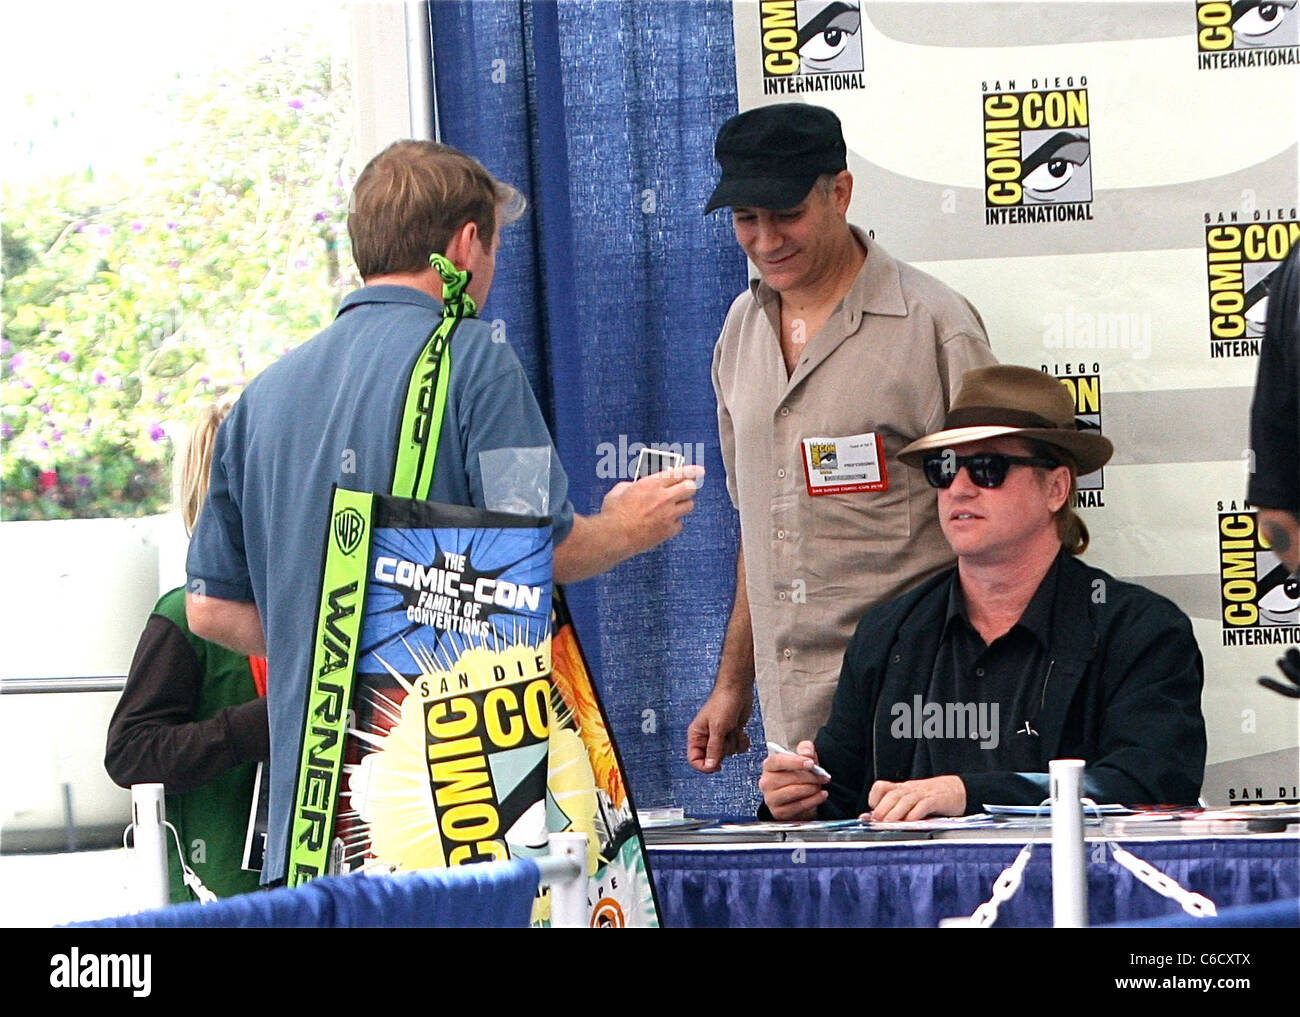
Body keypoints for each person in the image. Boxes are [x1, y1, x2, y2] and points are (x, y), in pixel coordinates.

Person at [185, 140, 703, 884]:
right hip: (453, 813)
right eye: (492, 248)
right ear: (465, 242)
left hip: (311, 826)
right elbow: (540, 552)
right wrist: (629, 524)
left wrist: (333, 631)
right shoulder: (472, 359)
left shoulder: (262, 396)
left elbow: (209, 608)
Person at [689, 103, 997, 772]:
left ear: (840, 192)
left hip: (926, 722)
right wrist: (734, 682)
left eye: (786, 214)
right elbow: (756, 525)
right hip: (790, 732)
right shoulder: (739, 332)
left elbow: (1007, 528)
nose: (766, 239)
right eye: (746, 219)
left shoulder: (936, 328)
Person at [760, 366, 1207, 820]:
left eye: (988, 469)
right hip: (913, 888)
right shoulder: (887, 631)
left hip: (1073, 885)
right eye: (944, 469)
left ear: (1056, 488)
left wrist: (968, 795)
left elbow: (1153, 781)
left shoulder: (1139, 629)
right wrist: (797, 798)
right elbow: (840, 792)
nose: (959, 487)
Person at [105, 397, 269, 901]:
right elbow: (129, 754)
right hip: (216, 895)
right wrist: (251, 729)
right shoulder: (182, 616)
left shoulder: (319, 607)